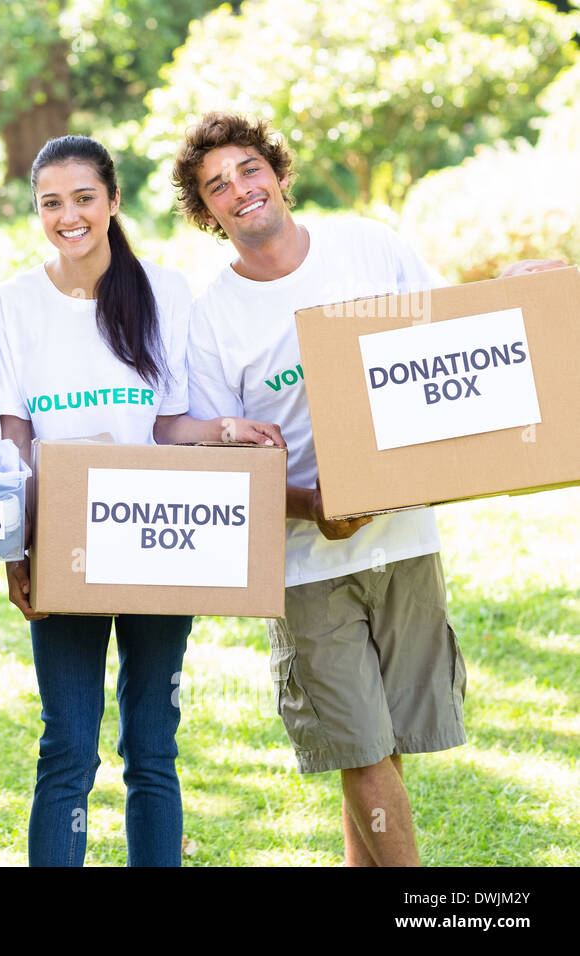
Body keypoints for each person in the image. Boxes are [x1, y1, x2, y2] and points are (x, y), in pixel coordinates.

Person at [173, 112, 463, 866]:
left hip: (404, 537)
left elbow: (448, 354)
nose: (240, 190)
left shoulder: (369, 246)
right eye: (217, 186)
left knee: (381, 750)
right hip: (305, 561)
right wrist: (310, 504)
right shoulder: (213, 319)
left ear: (276, 170)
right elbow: (212, 461)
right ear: (205, 212)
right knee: (360, 751)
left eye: (248, 169)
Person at [0, 135, 284, 867]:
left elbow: (167, 425)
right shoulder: (12, 306)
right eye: (51, 203)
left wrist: (225, 430)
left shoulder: (163, 290)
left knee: (152, 745)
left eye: (84, 198)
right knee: (67, 744)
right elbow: (14, 438)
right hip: (64, 546)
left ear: (113, 201)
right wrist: (20, 549)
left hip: (155, 541)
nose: (69, 216)